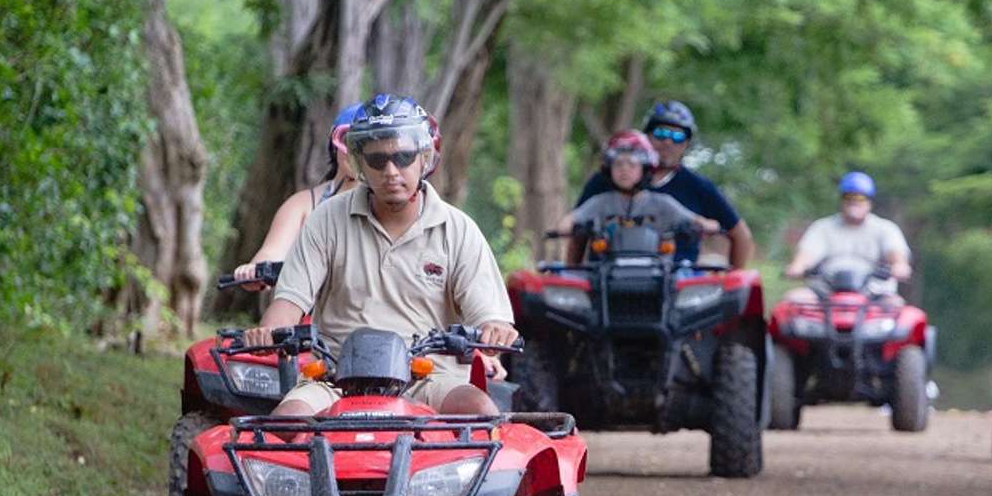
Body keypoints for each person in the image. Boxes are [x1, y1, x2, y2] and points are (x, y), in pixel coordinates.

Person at [244, 94, 517, 417]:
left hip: (428, 375)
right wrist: (268, 332)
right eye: (377, 160)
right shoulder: (326, 219)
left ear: (424, 159)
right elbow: (288, 303)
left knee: (481, 411)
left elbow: (489, 316)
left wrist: (494, 330)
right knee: (285, 425)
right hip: (334, 377)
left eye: (402, 157)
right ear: (360, 164)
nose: (390, 170)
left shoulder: (458, 229)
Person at [572, 100, 754, 268]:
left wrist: (733, 276)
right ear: (646, 137)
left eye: (677, 136)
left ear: (686, 144)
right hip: (604, 278)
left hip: (677, 285)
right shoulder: (606, 180)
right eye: (661, 133)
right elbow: (577, 231)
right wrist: (573, 273)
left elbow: (740, 234)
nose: (667, 141)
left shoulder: (698, 186)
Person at [229, 101, 365, 290]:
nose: (356, 153)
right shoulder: (302, 205)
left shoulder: (396, 205)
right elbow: (272, 253)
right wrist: (255, 271)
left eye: (369, 145)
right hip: (312, 313)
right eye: (348, 141)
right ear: (334, 145)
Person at [553, 130, 722, 251]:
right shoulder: (601, 202)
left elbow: (697, 221)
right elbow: (571, 219)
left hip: (659, 275)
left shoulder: (662, 203)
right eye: (618, 164)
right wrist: (569, 226)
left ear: (645, 169)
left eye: (632, 164)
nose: (624, 170)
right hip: (606, 275)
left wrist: (707, 226)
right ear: (609, 170)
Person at [783, 171, 911, 301]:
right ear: (841, 200)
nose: (854, 203)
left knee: (897, 307)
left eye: (860, 198)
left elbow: (895, 252)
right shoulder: (822, 228)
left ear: (870, 202)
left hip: (874, 294)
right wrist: (798, 266)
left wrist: (899, 265)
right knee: (793, 300)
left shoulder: (885, 229)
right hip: (825, 294)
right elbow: (808, 253)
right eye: (849, 198)